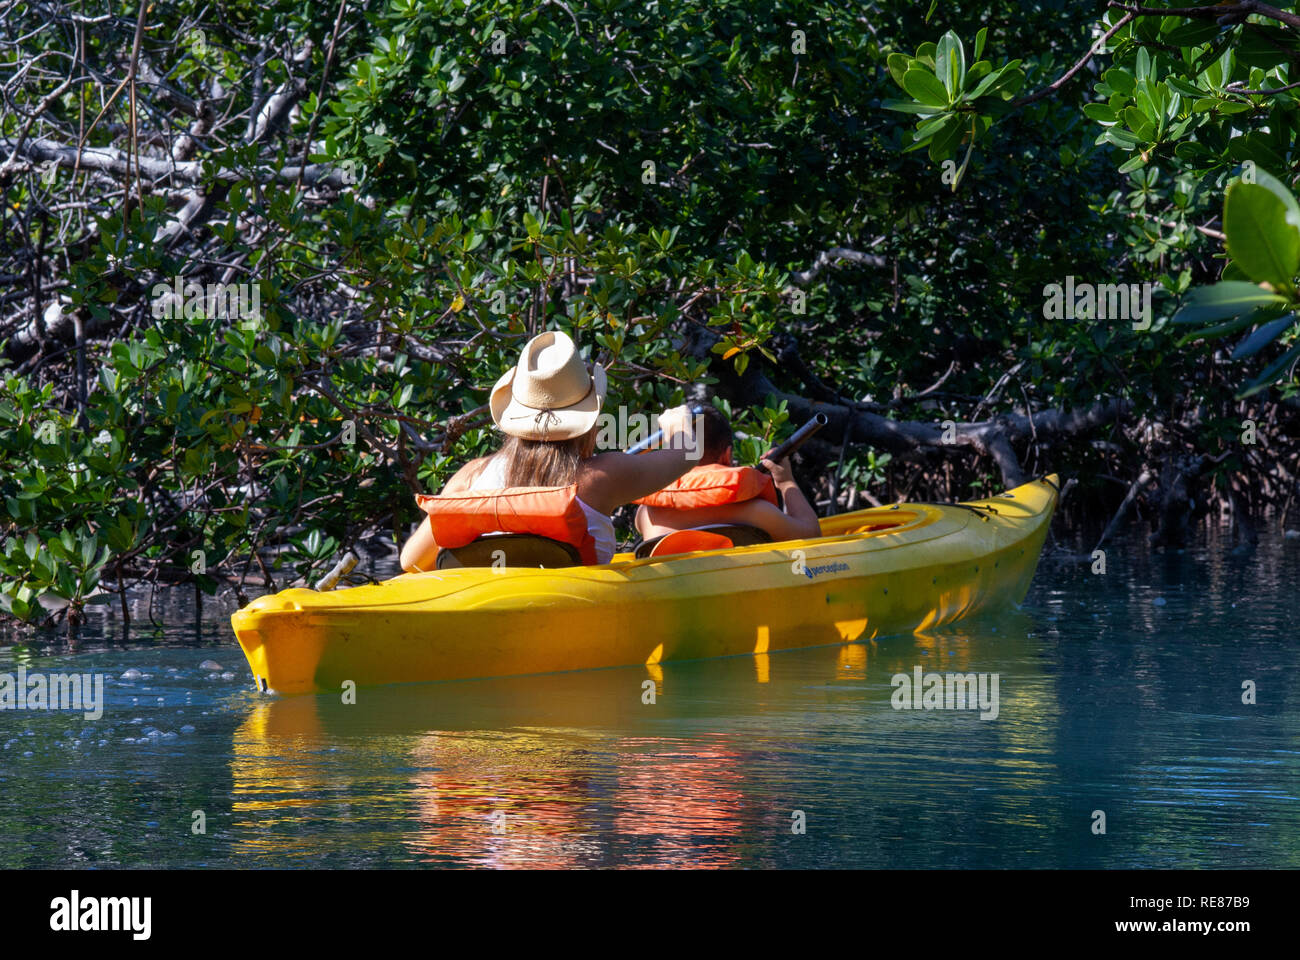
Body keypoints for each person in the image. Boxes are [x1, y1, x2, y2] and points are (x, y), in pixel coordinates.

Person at [400, 329, 698, 572]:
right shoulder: (604, 475)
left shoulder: (470, 476)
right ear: (588, 420)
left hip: (481, 621)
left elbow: (410, 562)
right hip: (572, 622)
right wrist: (678, 422)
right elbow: (687, 453)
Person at [633, 404, 821, 543]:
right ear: (728, 455)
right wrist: (786, 481)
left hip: (672, 592)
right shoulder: (756, 511)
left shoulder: (645, 515)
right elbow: (811, 536)